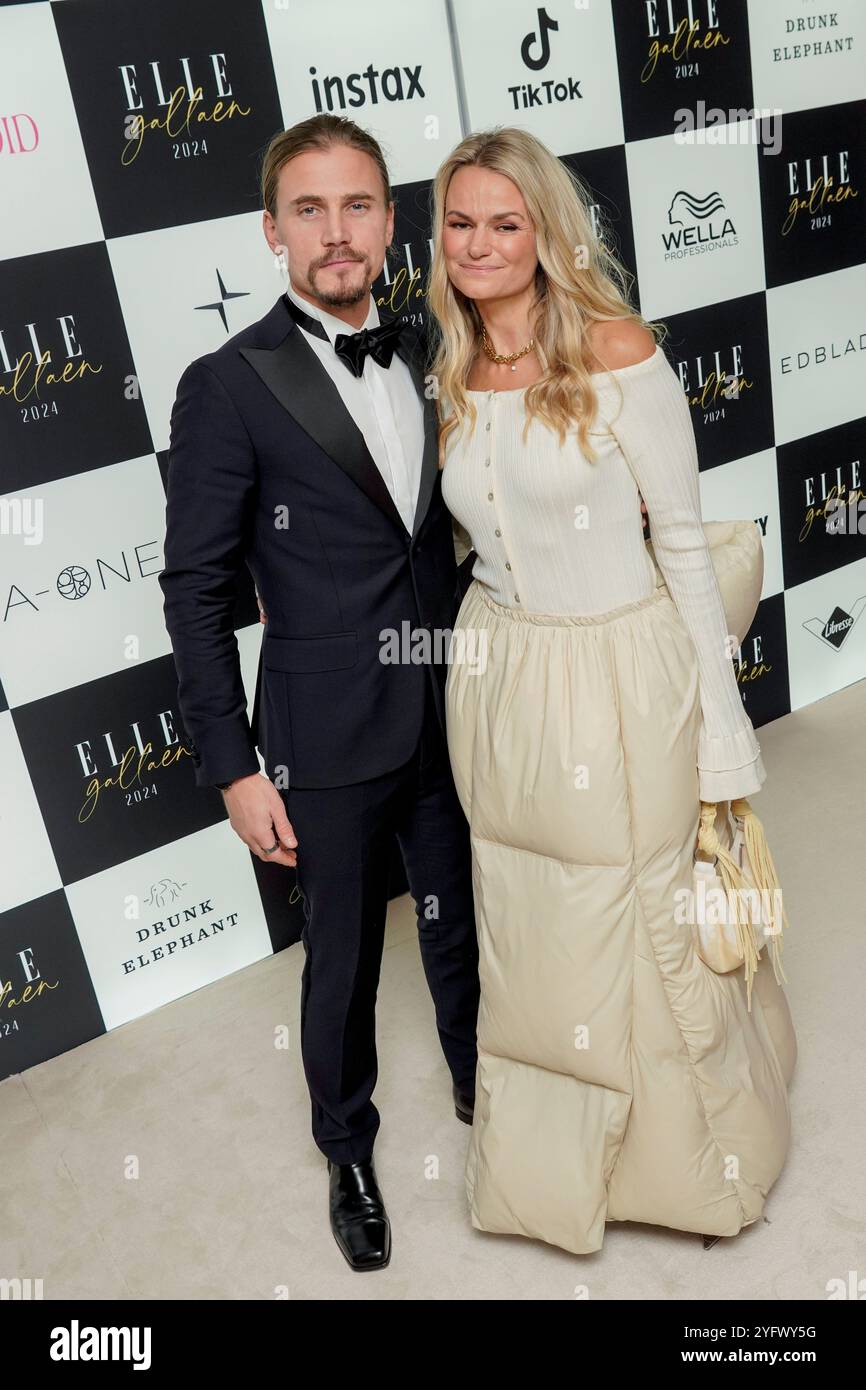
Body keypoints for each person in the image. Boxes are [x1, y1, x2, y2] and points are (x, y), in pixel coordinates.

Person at [430, 127, 797, 1254]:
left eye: (505, 221)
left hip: (618, 668)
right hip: (499, 672)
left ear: (545, 232)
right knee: (530, 927)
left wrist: (722, 731)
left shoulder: (614, 347)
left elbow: (681, 543)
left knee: (642, 917)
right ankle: (545, 1176)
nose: (480, 244)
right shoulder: (442, 364)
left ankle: (699, 1174)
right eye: (458, 221)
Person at [158, 115, 485, 1273]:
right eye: (309, 209)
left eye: (357, 206)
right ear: (271, 229)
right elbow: (195, 592)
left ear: (389, 223)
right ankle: (346, 1148)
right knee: (340, 964)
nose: (336, 234)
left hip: (445, 714)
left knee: (459, 926)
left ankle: (480, 1088)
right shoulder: (226, 384)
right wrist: (234, 767)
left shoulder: (427, 351)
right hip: (320, 738)